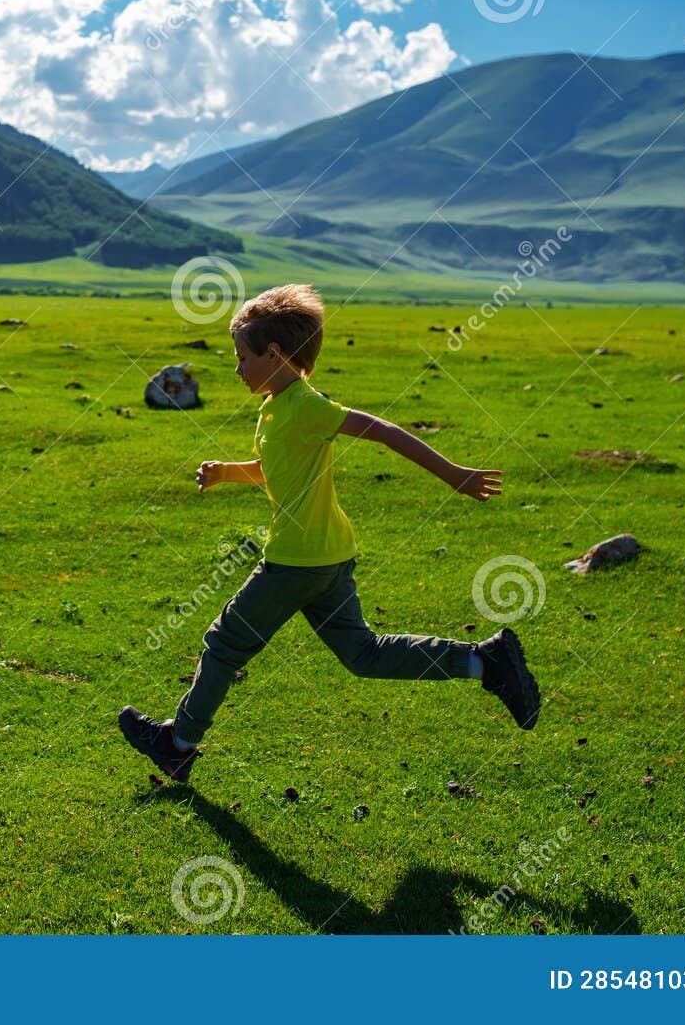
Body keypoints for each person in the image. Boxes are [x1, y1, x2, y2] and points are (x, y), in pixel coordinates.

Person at [119, 284, 540, 782]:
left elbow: (380, 429)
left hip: (296, 562)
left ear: (273, 353)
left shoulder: (307, 406)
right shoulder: (277, 405)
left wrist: (453, 474)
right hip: (328, 557)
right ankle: (485, 663)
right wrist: (227, 472)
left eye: (242, 358)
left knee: (225, 644)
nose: (237, 369)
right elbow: (275, 466)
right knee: (362, 654)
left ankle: (177, 744)